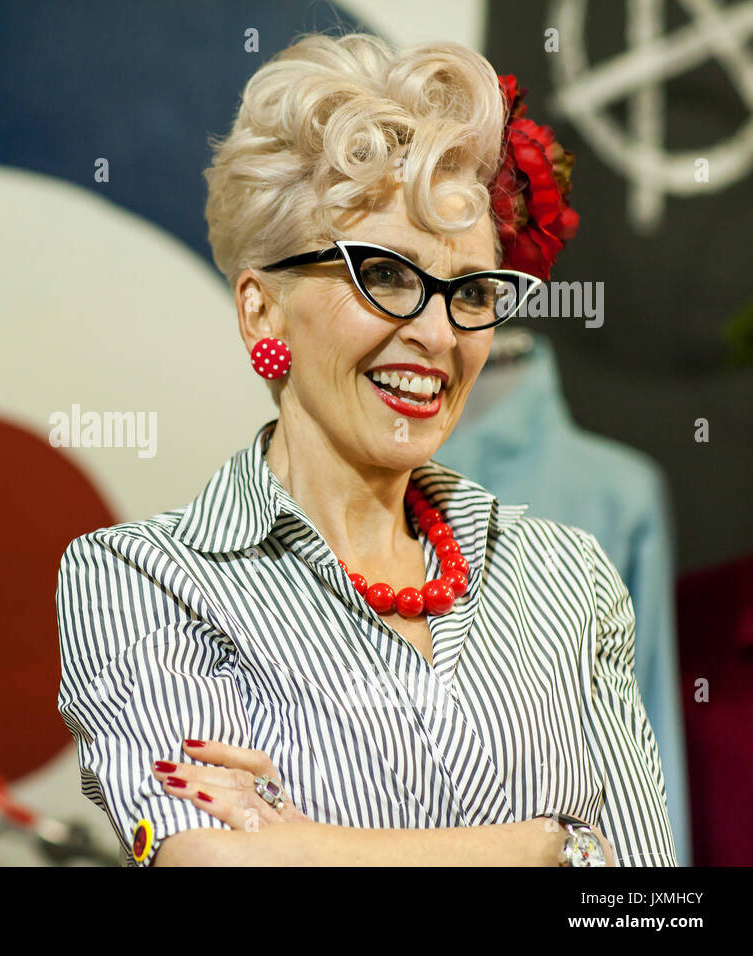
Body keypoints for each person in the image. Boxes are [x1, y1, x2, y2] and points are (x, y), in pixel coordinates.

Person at [54, 32, 675, 867]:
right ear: (260, 309)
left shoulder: (568, 577)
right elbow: (216, 862)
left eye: (473, 291)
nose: (437, 333)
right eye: (385, 275)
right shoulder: (141, 581)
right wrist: (547, 847)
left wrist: (305, 842)